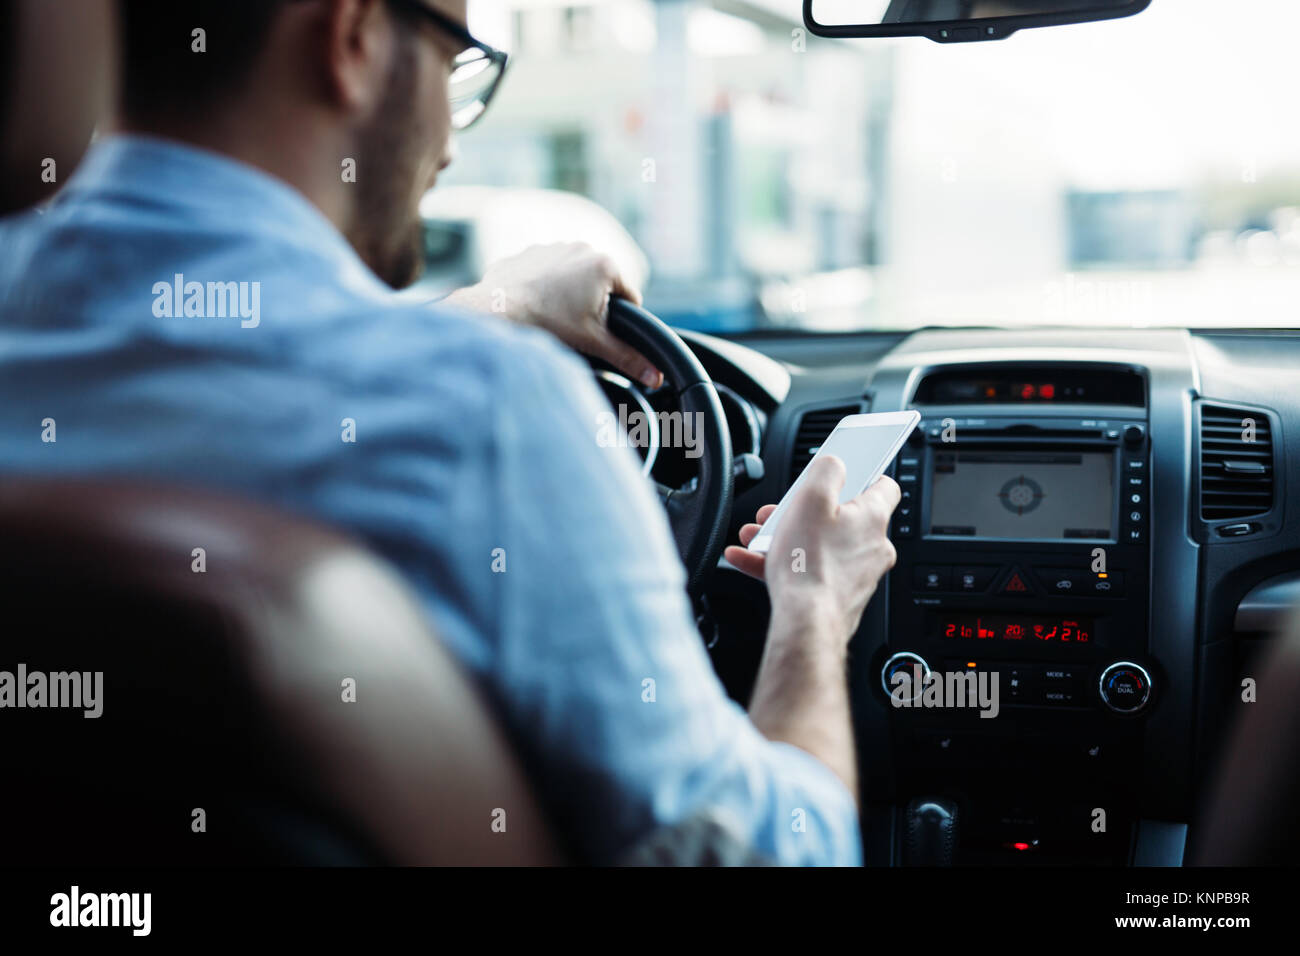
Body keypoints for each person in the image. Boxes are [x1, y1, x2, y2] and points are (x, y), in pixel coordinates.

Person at [0, 0, 899, 865]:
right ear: (350, 35)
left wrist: (489, 311)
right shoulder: (488, 416)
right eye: (454, 60)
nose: (452, 134)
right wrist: (812, 611)